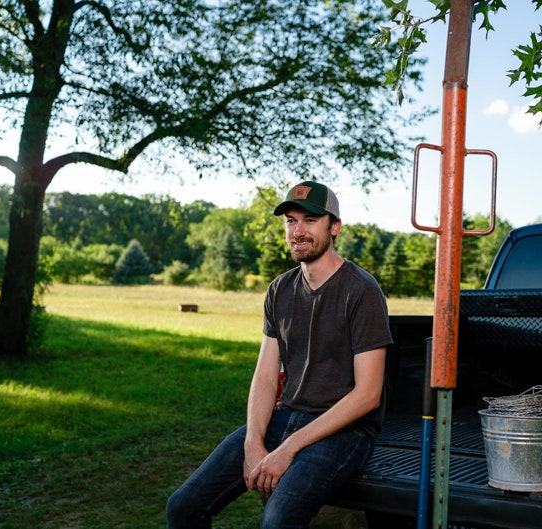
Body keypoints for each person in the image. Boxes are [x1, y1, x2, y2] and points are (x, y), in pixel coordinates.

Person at [166, 181, 392, 529]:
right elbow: (266, 375)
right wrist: (253, 442)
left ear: (334, 227)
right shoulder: (280, 289)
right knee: (182, 507)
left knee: (278, 519)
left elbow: (368, 395)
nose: (298, 231)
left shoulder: (362, 290)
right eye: (290, 221)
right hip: (285, 418)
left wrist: (288, 449)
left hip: (345, 430)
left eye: (310, 220)